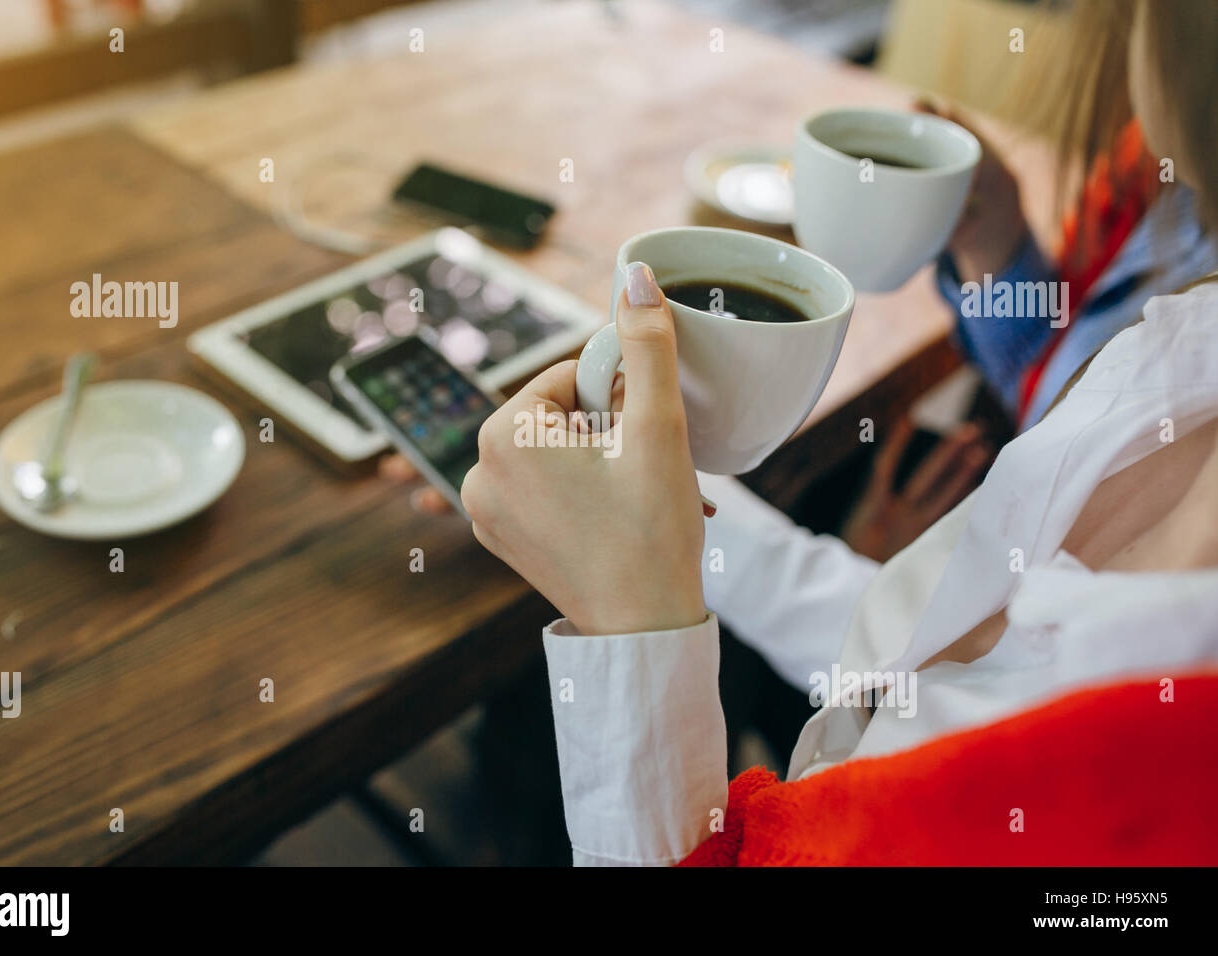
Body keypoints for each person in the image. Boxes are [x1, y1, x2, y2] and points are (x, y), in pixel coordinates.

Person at [451, 0, 1218, 865]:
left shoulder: (1165, 743)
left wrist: (636, 627)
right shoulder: (1187, 317)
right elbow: (927, 680)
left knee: (522, 734)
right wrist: (672, 525)